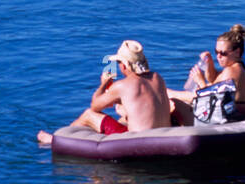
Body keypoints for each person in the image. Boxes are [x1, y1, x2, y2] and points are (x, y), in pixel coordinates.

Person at [36, 40, 172, 143]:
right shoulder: (157, 77)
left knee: (88, 115)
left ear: (124, 65)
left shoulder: (123, 85)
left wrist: (103, 84)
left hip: (136, 140)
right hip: (161, 134)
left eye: (119, 63)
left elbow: (95, 106)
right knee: (123, 115)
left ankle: (56, 140)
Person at [169, 24, 245, 120]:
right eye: (216, 52)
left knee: (173, 103)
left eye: (223, 53)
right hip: (231, 113)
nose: (218, 57)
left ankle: (168, 94)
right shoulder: (240, 68)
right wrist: (209, 64)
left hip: (229, 118)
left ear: (237, 52)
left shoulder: (231, 72)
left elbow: (211, 99)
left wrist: (200, 81)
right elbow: (214, 79)